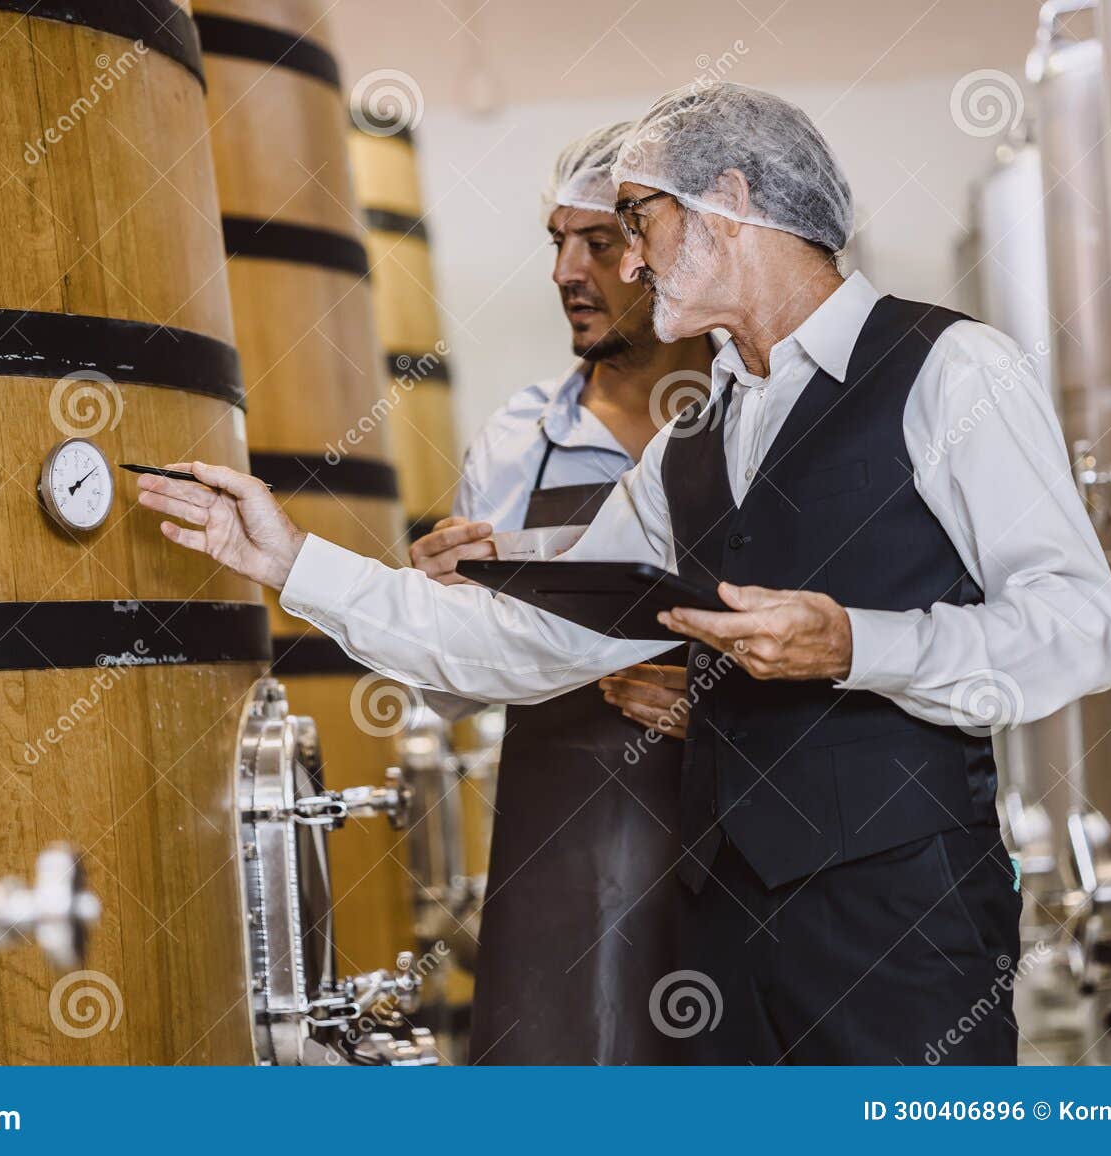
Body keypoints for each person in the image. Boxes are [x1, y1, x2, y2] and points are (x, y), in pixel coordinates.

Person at [136, 82, 1111, 1065]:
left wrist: (855, 643)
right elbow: (519, 645)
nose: (626, 255)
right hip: (720, 924)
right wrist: (286, 559)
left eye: (636, 219)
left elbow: (1083, 626)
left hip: (904, 924)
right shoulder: (690, 446)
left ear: (731, 203)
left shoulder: (954, 368)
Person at [407, 122, 718, 1065]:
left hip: (742, 844)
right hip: (566, 866)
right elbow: (450, 692)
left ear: (667, 247)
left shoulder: (760, 423)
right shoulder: (518, 442)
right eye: (556, 242)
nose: (564, 273)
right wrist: (437, 604)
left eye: (598, 243)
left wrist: (734, 700)